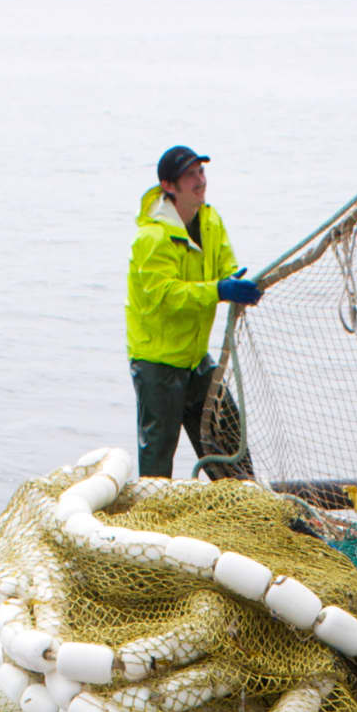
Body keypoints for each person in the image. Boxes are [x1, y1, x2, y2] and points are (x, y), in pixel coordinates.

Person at [126, 146, 261, 480]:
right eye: (191, 176)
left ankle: (243, 508)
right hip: (157, 363)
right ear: (169, 186)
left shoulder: (210, 220)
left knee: (227, 429)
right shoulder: (153, 237)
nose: (200, 181)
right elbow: (166, 295)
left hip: (195, 358)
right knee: (158, 459)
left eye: (201, 172)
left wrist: (235, 284)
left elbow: (226, 267)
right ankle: (153, 524)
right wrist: (219, 290)